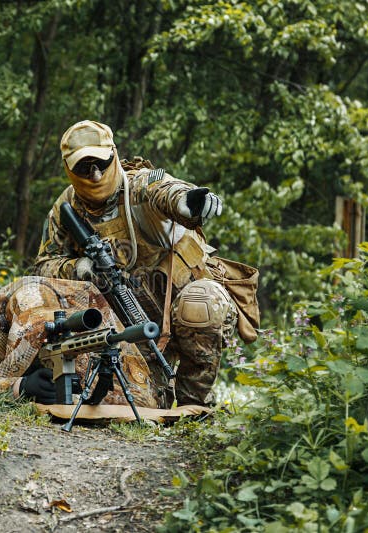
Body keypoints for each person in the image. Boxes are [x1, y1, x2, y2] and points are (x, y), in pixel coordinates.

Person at [33, 120, 260, 407]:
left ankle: (195, 404)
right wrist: (78, 268)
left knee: (201, 303)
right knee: (143, 404)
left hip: (180, 306)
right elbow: (43, 267)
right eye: (84, 167)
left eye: (102, 162)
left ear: (114, 155)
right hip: (123, 323)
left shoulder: (139, 185)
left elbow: (167, 190)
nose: (95, 174)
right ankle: (158, 396)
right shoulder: (65, 208)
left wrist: (188, 203)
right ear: (68, 168)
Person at [0, 276, 159, 408]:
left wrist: (84, 394)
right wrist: (18, 387)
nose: (41, 344)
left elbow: (145, 400)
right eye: (36, 341)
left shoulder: (97, 323)